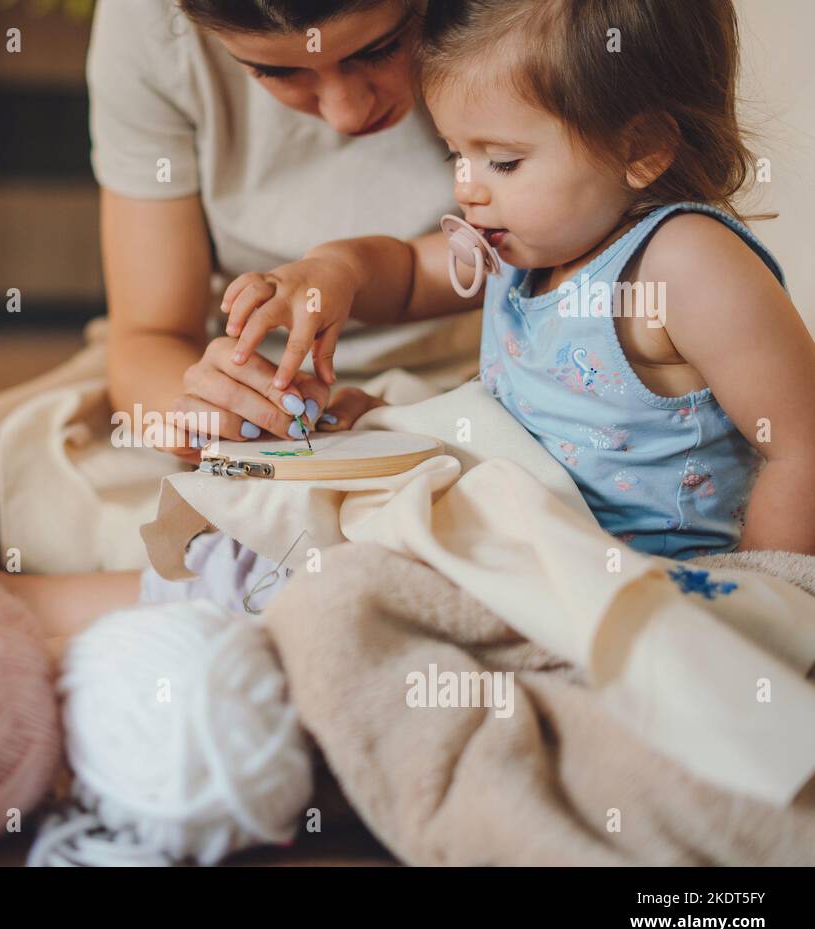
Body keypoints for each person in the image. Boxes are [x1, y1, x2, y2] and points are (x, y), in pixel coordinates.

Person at [0, 0, 474, 565]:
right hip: (210, 365)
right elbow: (149, 336)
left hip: (486, 374)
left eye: (382, 47)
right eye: (275, 70)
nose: (346, 113)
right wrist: (204, 416)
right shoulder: (148, 21)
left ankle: (28, 603)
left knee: (342, 562)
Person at [224, 0, 815, 558]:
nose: (466, 188)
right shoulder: (517, 248)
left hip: (653, 578)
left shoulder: (683, 263)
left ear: (642, 148)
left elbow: (801, 447)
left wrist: (765, 596)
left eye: (502, 161)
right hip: (526, 543)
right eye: (455, 153)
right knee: (269, 534)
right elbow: (404, 277)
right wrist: (333, 269)